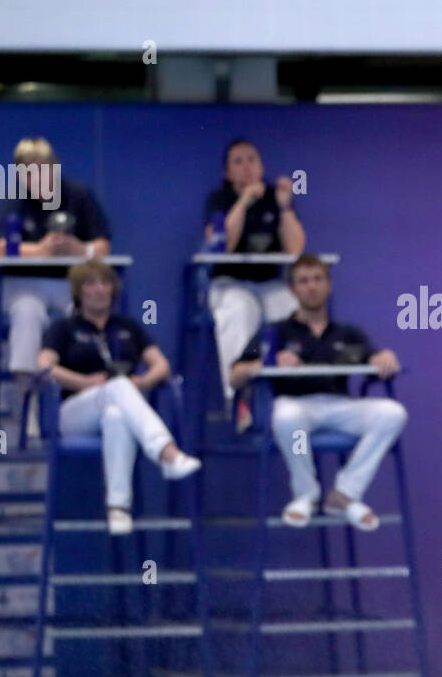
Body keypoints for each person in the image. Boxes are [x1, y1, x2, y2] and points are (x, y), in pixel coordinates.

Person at [230, 254, 404, 531]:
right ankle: (306, 494)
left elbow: (376, 359)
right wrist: (266, 362)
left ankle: (345, 493)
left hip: (341, 406)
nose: (311, 286)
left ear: (328, 285)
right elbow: (235, 375)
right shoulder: (272, 332)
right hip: (298, 408)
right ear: (293, 290)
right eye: (303, 281)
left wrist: (385, 357)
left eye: (317, 279)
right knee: (286, 418)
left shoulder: (349, 334)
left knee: (392, 413)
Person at [36, 260, 201, 534]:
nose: (99, 290)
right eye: (91, 284)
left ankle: (118, 508)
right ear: (78, 292)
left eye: (105, 283)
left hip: (116, 405)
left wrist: (144, 382)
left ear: (114, 289)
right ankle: (166, 452)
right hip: (73, 412)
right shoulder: (63, 328)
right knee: (117, 387)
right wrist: (85, 382)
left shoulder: (128, 326)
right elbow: (44, 367)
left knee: (116, 414)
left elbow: (161, 365)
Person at [0, 137, 113, 377]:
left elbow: (103, 246)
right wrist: (40, 250)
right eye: (28, 172)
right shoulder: (15, 201)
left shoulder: (79, 195)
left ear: (55, 167)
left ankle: (86, 380)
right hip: (23, 286)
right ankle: (26, 391)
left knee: (85, 311)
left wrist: (79, 249)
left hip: (71, 285)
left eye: (42, 170)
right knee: (27, 312)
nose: (37, 178)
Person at [204, 138, 307, 412]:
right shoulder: (219, 199)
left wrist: (285, 207)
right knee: (241, 310)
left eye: (252, 159)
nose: (247, 166)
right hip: (229, 284)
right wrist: (244, 202)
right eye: (238, 162)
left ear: (261, 166)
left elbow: (295, 250)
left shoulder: (275, 197)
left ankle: (294, 392)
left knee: (292, 310)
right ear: (227, 173)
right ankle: (239, 396)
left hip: (270, 284)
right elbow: (222, 245)